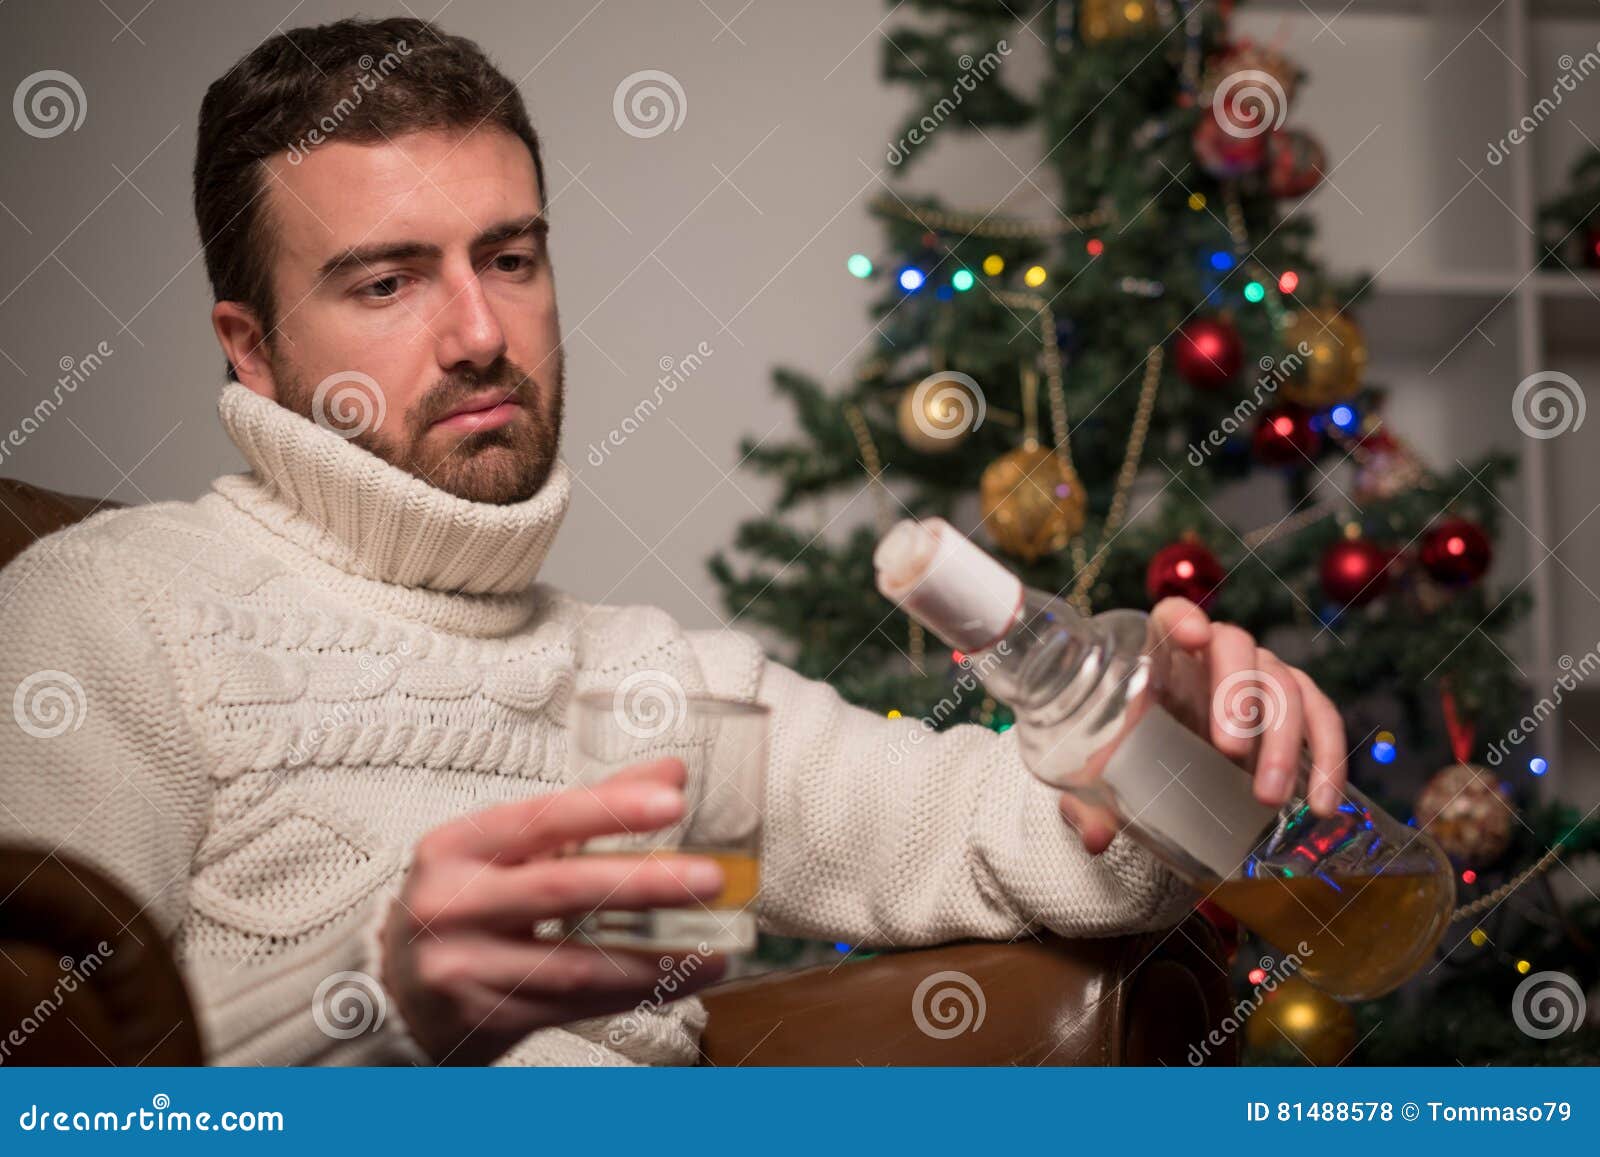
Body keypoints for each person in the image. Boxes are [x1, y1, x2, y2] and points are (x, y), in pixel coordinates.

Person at [0, 16, 1347, 1067]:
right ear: (252, 348)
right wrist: (375, 1002)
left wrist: (1164, 756)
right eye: (389, 280)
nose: (479, 332)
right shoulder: (114, 612)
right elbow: (51, 1085)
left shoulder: (655, 680)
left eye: (510, 258)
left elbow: (987, 829)